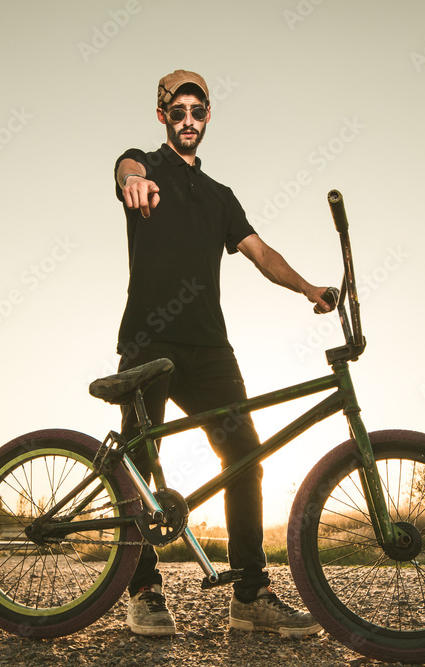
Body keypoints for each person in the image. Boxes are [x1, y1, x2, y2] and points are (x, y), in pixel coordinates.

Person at [112, 69, 332, 638]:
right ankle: (143, 589)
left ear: (208, 118)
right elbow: (125, 168)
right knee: (142, 461)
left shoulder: (219, 197)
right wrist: (132, 178)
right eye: (177, 110)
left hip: (209, 346)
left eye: (198, 112)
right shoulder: (144, 165)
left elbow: (262, 254)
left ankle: (251, 594)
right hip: (149, 338)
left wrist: (308, 287)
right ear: (163, 115)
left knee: (244, 455)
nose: (188, 120)